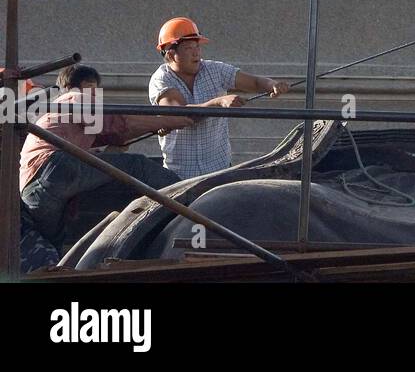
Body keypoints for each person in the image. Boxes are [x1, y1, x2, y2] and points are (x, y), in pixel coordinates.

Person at [19, 63, 193, 244]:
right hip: (53, 166)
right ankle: (189, 197)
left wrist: (155, 125)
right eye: (90, 88)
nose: (95, 95)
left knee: (52, 245)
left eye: (96, 90)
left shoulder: (57, 117)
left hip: (33, 190)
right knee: (136, 165)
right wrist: (167, 120)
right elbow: (116, 122)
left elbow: (114, 134)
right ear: (69, 87)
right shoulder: (74, 97)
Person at [148, 16, 290, 180]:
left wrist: (272, 85)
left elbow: (255, 82)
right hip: (179, 177)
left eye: (197, 46)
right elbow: (179, 115)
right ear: (172, 54)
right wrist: (220, 102)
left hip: (219, 172)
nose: (196, 52)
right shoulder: (161, 79)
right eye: (188, 48)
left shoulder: (215, 70)